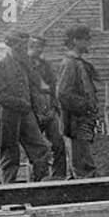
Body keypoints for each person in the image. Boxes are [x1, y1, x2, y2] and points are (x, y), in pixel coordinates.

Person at [0, 30, 51, 184]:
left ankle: (39, 184)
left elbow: (32, 88)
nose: (24, 49)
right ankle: (8, 188)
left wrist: (35, 107)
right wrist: (20, 103)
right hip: (8, 116)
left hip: (26, 114)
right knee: (10, 154)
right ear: (13, 47)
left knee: (41, 148)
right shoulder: (2, 65)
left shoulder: (24, 64)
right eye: (21, 47)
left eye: (25, 46)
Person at [56, 24, 100, 178]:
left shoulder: (78, 63)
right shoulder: (69, 64)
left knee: (79, 164)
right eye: (86, 39)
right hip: (75, 122)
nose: (89, 43)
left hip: (83, 121)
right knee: (83, 167)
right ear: (75, 41)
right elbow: (63, 94)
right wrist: (85, 106)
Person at [27, 34, 67, 180]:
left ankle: (59, 176)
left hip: (49, 106)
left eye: (41, 47)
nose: (38, 50)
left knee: (58, 142)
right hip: (33, 109)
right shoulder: (23, 66)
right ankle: (37, 178)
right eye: (35, 47)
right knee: (37, 147)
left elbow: (52, 85)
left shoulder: (46, 65)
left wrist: (55, 106)